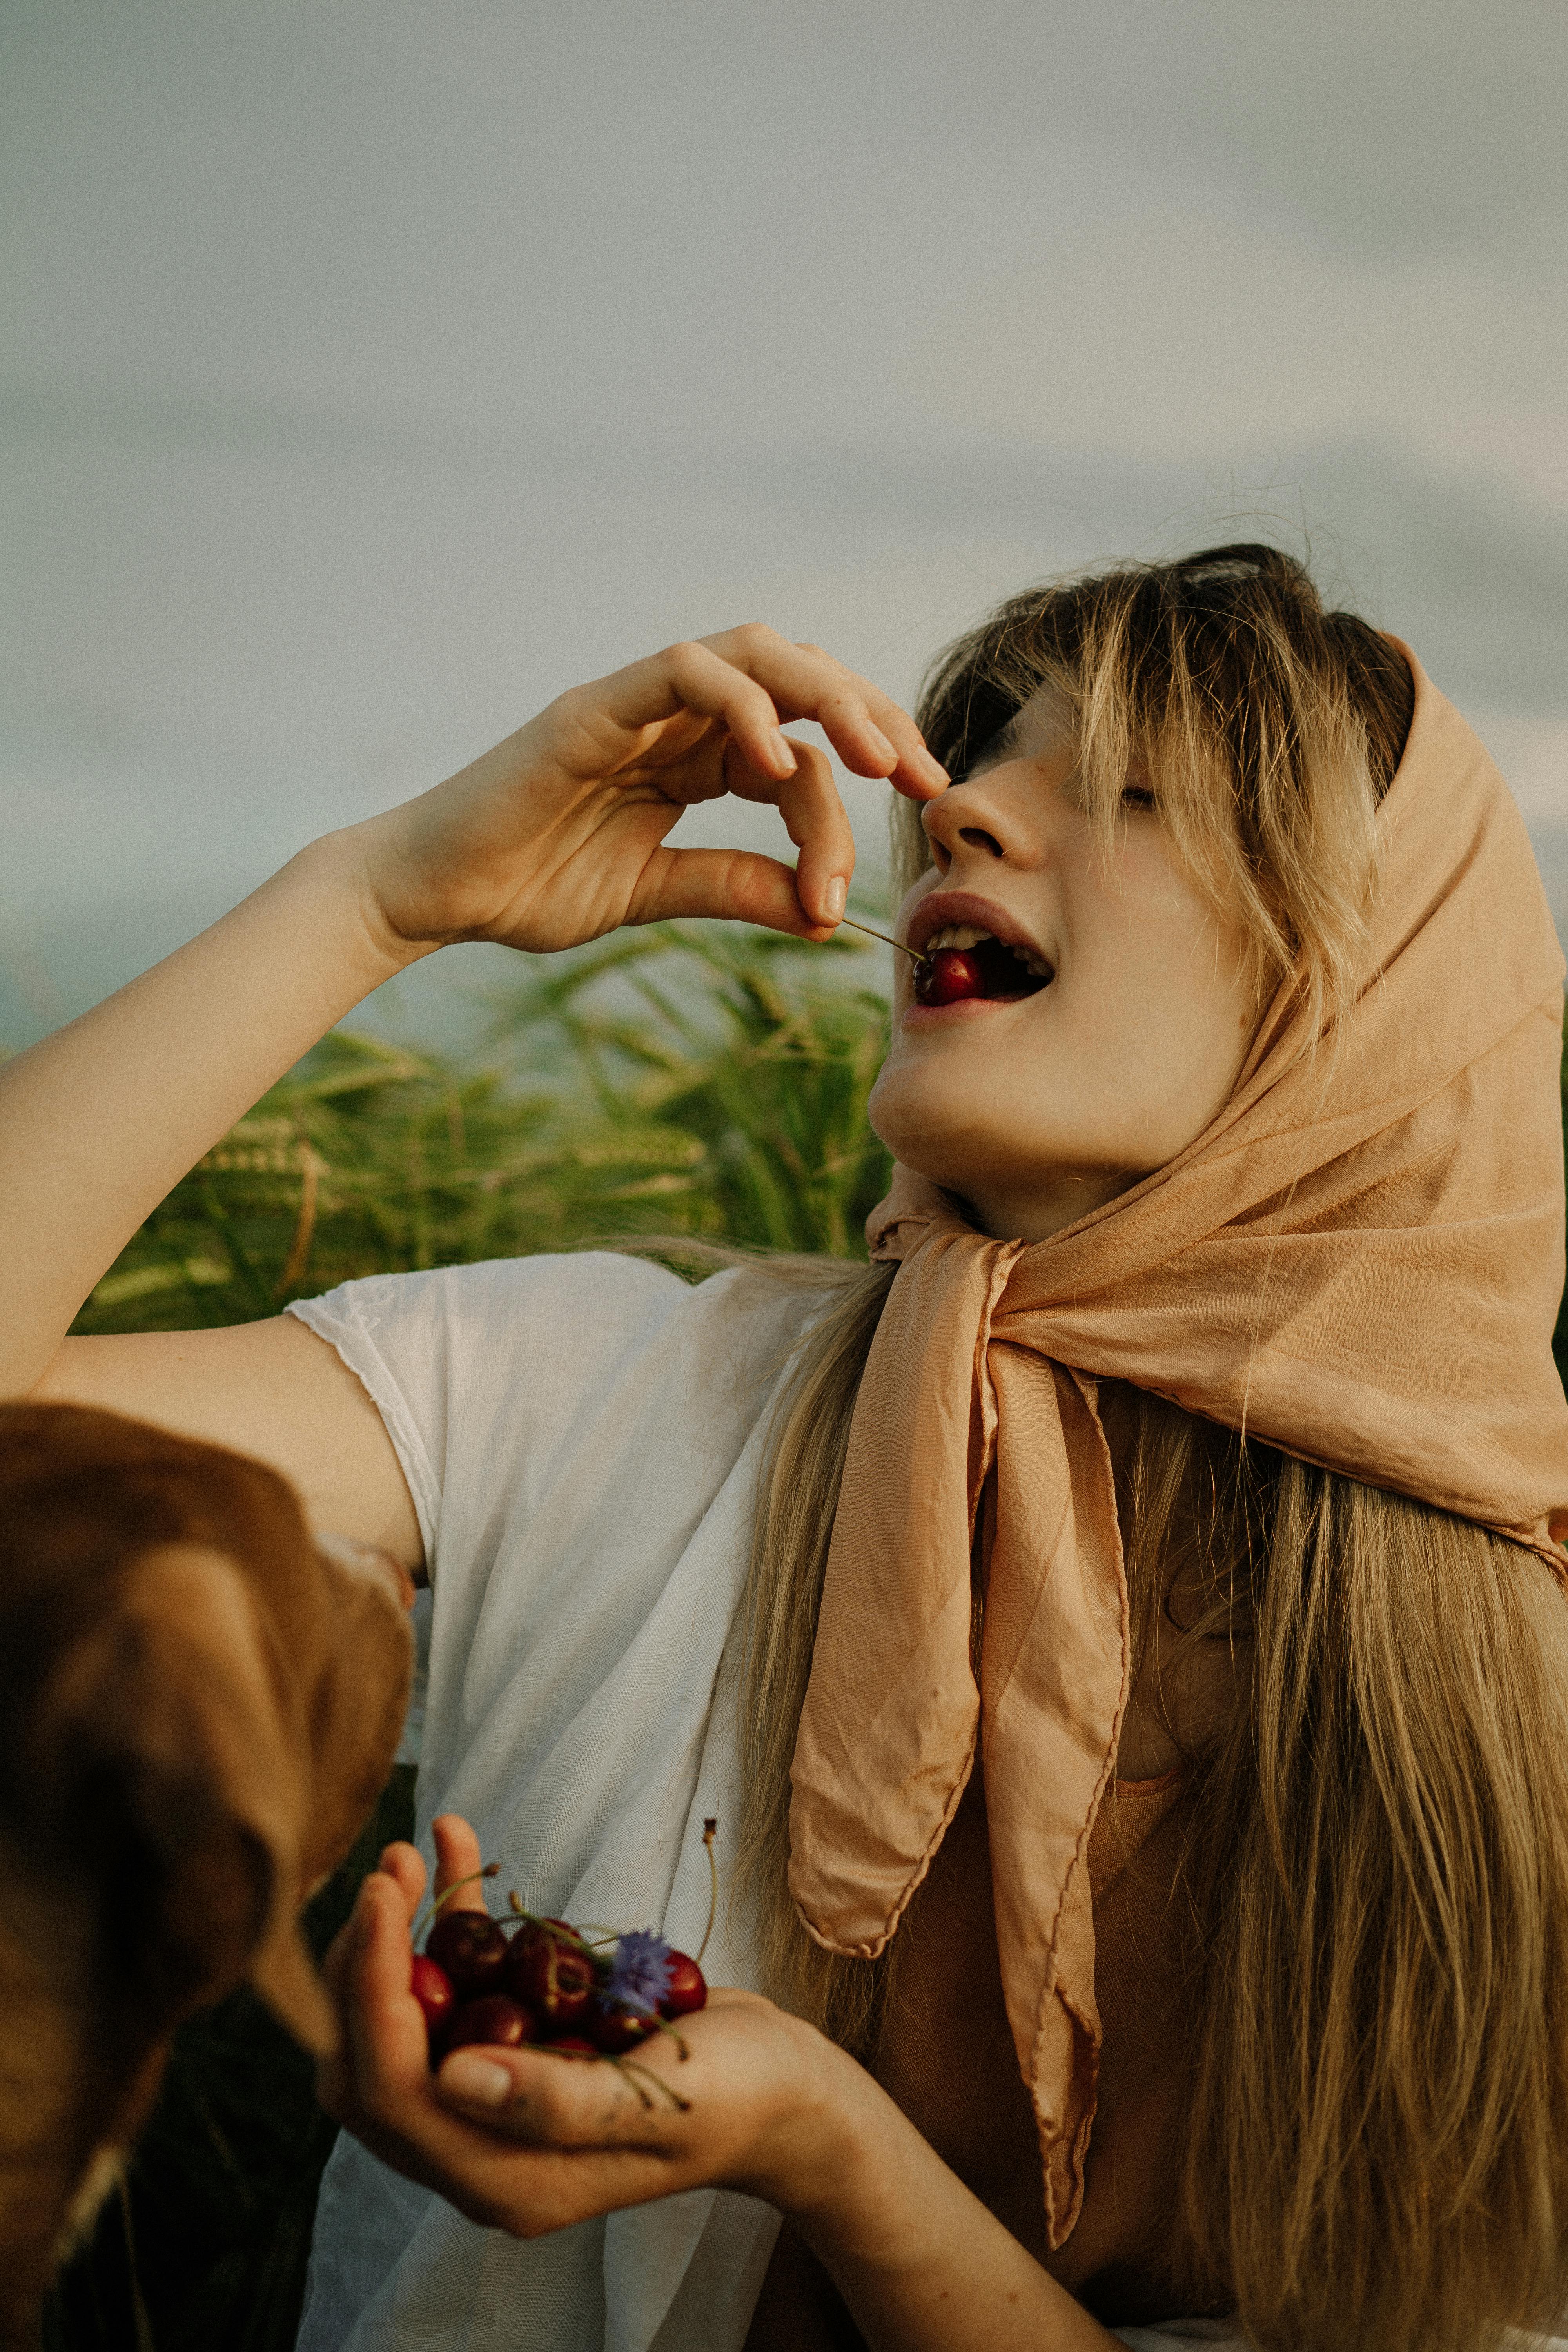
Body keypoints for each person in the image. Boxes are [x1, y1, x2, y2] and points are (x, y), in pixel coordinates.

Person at [5, 545, 1566, 2352]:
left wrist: (829, 2152)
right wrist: (375, 901)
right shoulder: (594, 1385)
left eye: (1129, 788)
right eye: (981, 764)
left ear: (1369, 1008)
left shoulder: (1498, 1725)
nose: (962, 810)